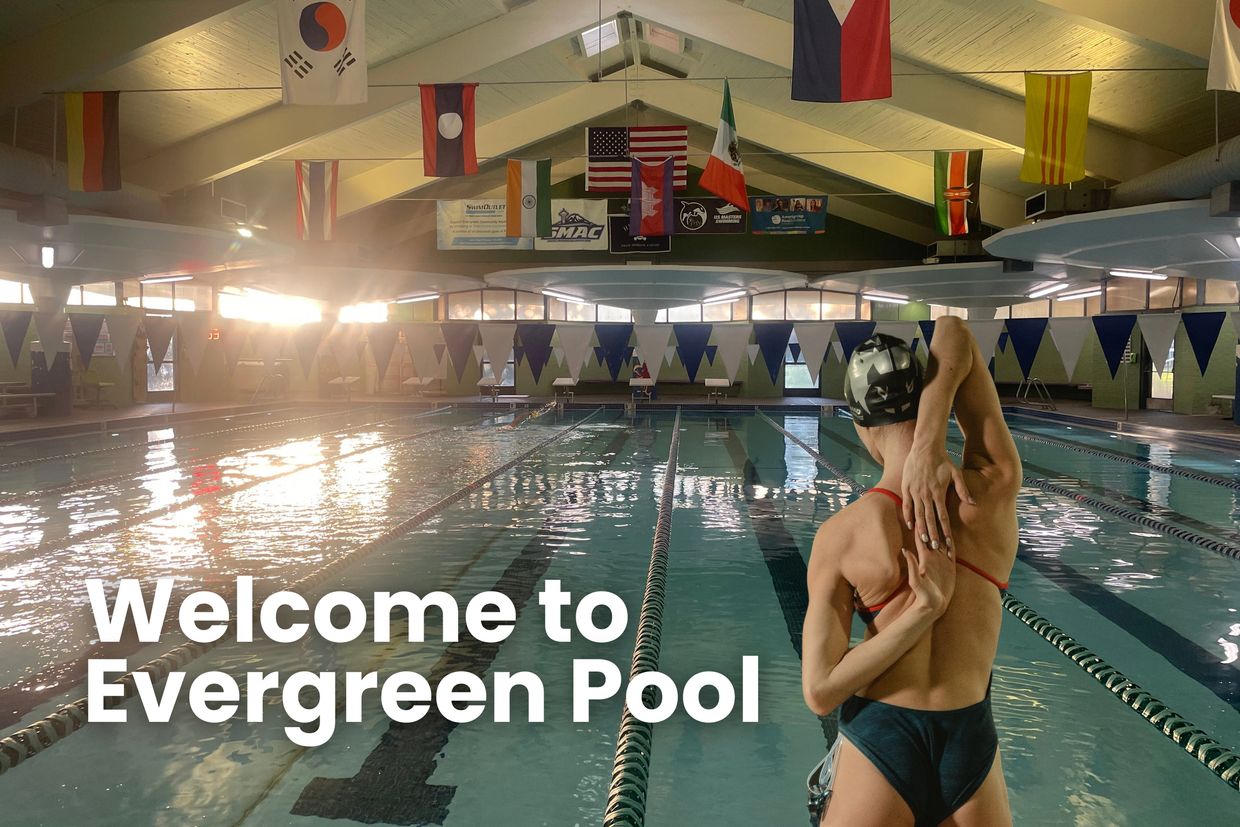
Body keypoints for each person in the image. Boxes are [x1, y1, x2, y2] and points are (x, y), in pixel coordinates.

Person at [802, 318, 1021, 826]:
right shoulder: (992, 489)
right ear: (928, 401)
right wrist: (931, 440)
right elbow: (954, 330)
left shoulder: (842, 535)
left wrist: (922, 611)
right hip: (969, 741)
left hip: (881, 740)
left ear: (860, 423)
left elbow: (821, 692)